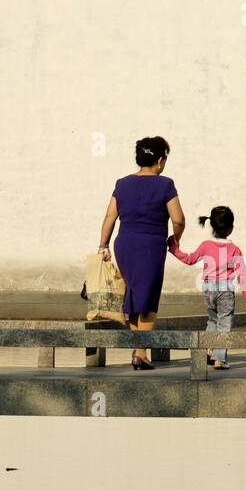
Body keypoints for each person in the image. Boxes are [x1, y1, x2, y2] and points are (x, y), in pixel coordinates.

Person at [98, 136, 186, 370]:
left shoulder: (122, 183)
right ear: (159, 161)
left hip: (125, 244)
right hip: (151, 244)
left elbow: (110, 216)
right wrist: (175, 239)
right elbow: (178, 219)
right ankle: (140, 353)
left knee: (135, 297)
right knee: (148, 300)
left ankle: (139, 351)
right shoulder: (165, 184)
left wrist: (103, 245)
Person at [168, 206, 246, 370]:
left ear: (212, 226)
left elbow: (190, 259)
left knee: (213, 320)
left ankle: (207, 347)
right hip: (225, 290)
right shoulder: (234, 249)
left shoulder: (206, 245)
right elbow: (241, 272)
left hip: (208, 288)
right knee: (224, 323)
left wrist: (174, 249)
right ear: (231, 228)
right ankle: (219, 358)